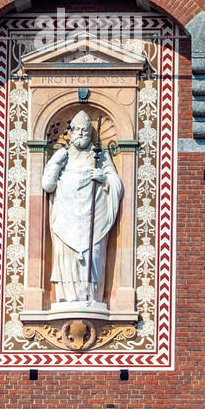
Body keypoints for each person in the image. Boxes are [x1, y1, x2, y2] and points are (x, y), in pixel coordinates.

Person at [42, 110, 123, 306]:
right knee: (66, 256)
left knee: (93, 255)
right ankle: (68, 297)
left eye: (86, 132)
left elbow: (116, 185)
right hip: (65, 218)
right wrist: (56, 164)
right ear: (71, 132)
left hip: (92, 220)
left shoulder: (100, 156)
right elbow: (47, 185)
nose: (82, 135)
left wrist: (103, 178)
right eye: (78, 131)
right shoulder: (62, 155)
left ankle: (92, 297)